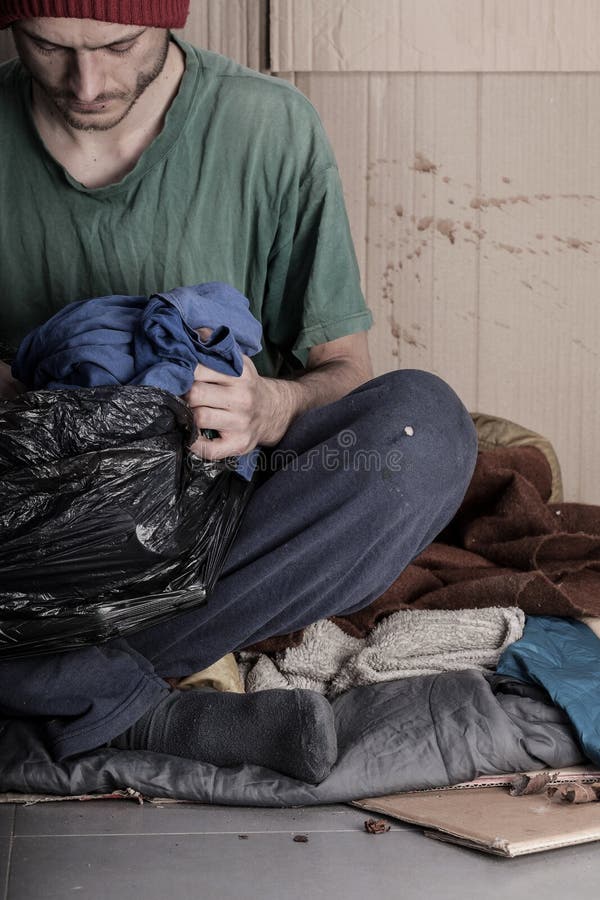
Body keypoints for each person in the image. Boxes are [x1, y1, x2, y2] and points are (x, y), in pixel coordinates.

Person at [0, 1, 478, 783]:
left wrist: (272, 407)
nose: (86, 83)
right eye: (46, 47)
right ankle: (147, 710)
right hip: (30, 527)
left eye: (118, 46)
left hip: (219, 513)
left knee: (426, 431)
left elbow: (345, 371)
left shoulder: (270, 129)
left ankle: (67, 684)